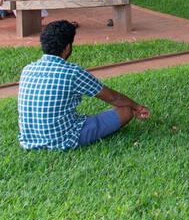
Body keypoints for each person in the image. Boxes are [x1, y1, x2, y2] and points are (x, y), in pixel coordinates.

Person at [18, 20, 149, 150]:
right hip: (66, 139)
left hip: (29, 140)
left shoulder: (27, 69)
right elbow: (113, 98)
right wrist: (136, 107)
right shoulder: (72, 72)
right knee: (126, 111)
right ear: (68, 47)